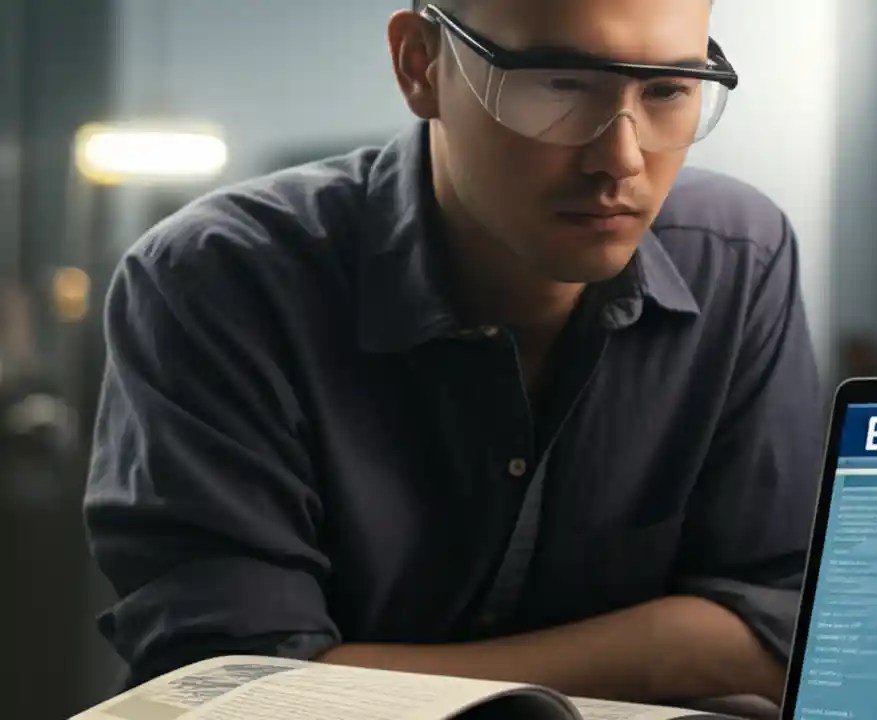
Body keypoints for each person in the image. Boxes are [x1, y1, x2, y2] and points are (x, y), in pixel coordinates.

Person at [83, 0, 824, 708]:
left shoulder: (739, 258)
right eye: (558, 84)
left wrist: (347, 681)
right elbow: (238, 688)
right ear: (420, 65)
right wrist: (672, 646)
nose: (619, 159)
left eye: (669, 89)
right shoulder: (217, 281)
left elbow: (791, 624)